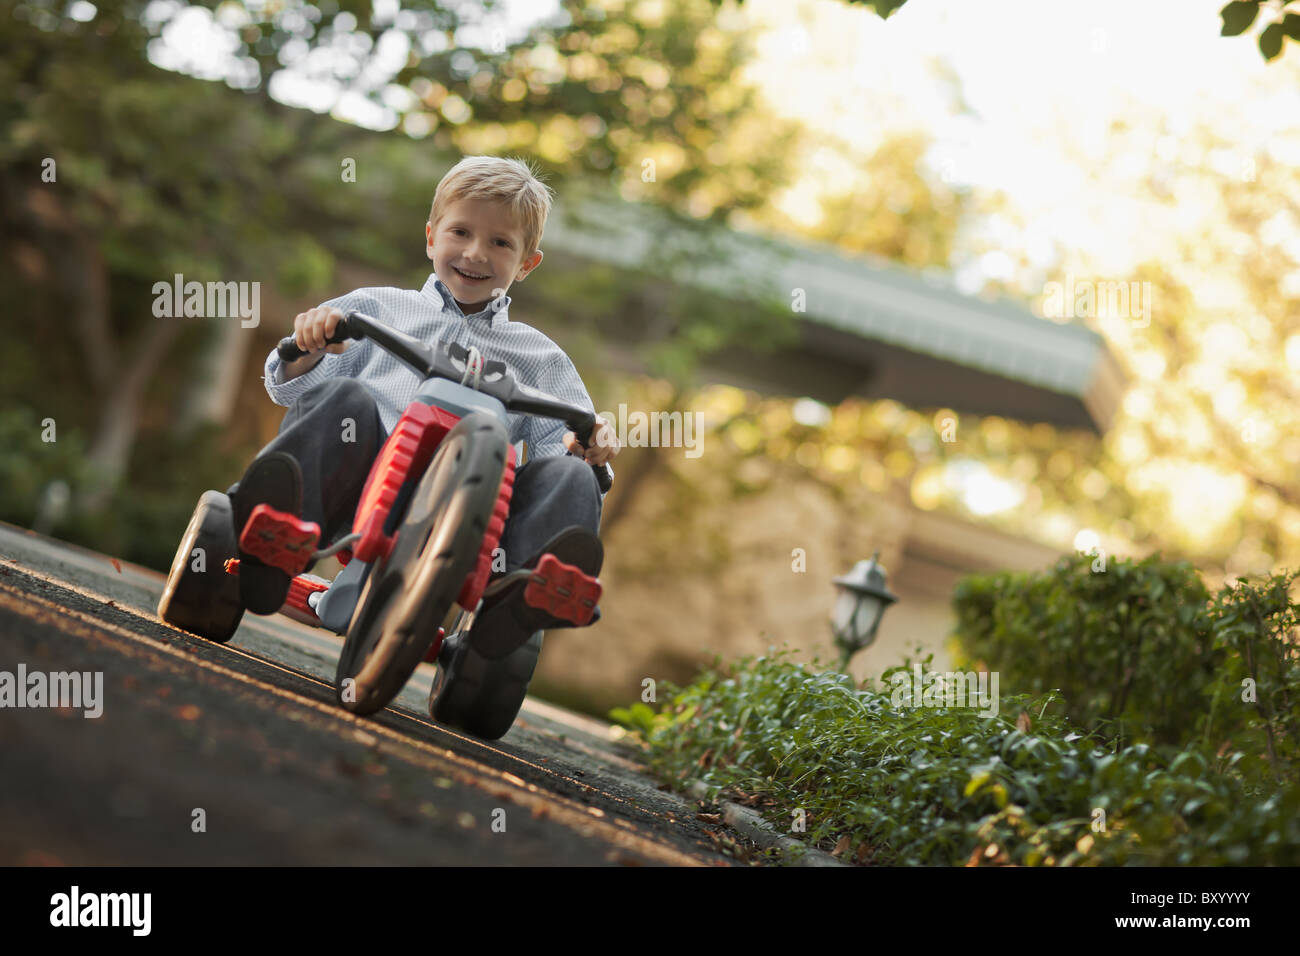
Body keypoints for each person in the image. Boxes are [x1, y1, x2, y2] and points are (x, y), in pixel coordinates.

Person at [226, 154, 619, 663]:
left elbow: (565, 446)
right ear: (432, 236)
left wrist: (591, 446)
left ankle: (517, 596)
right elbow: (290, 389)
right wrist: (313, 343)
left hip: (477, 520)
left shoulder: (541, 358)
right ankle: (280, 527)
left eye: (500, 243)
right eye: (461, 232)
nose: (476, 253)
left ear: (526, 263)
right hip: (360, 486)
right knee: (346, 398)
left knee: (573, 477)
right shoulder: (375, 310)